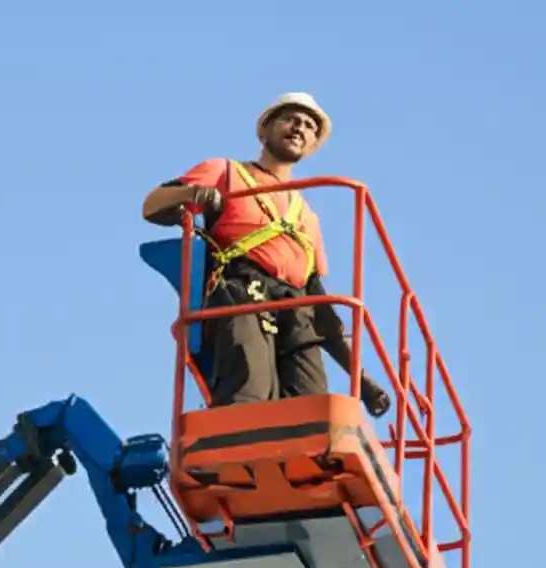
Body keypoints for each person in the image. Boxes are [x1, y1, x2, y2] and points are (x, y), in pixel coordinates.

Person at [141, 92, 391, 416]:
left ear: (313, 143)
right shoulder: (226, 171)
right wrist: (193, 194)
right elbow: (152, 205)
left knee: (311, 406)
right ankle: (230, 445)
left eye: (308, 126)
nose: (299, 128)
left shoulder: (307, 216)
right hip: (244, 294)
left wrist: (363, 381)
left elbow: (321, 308)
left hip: (297, 309)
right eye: (290, 119)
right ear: (266, 129)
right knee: (250, 391)